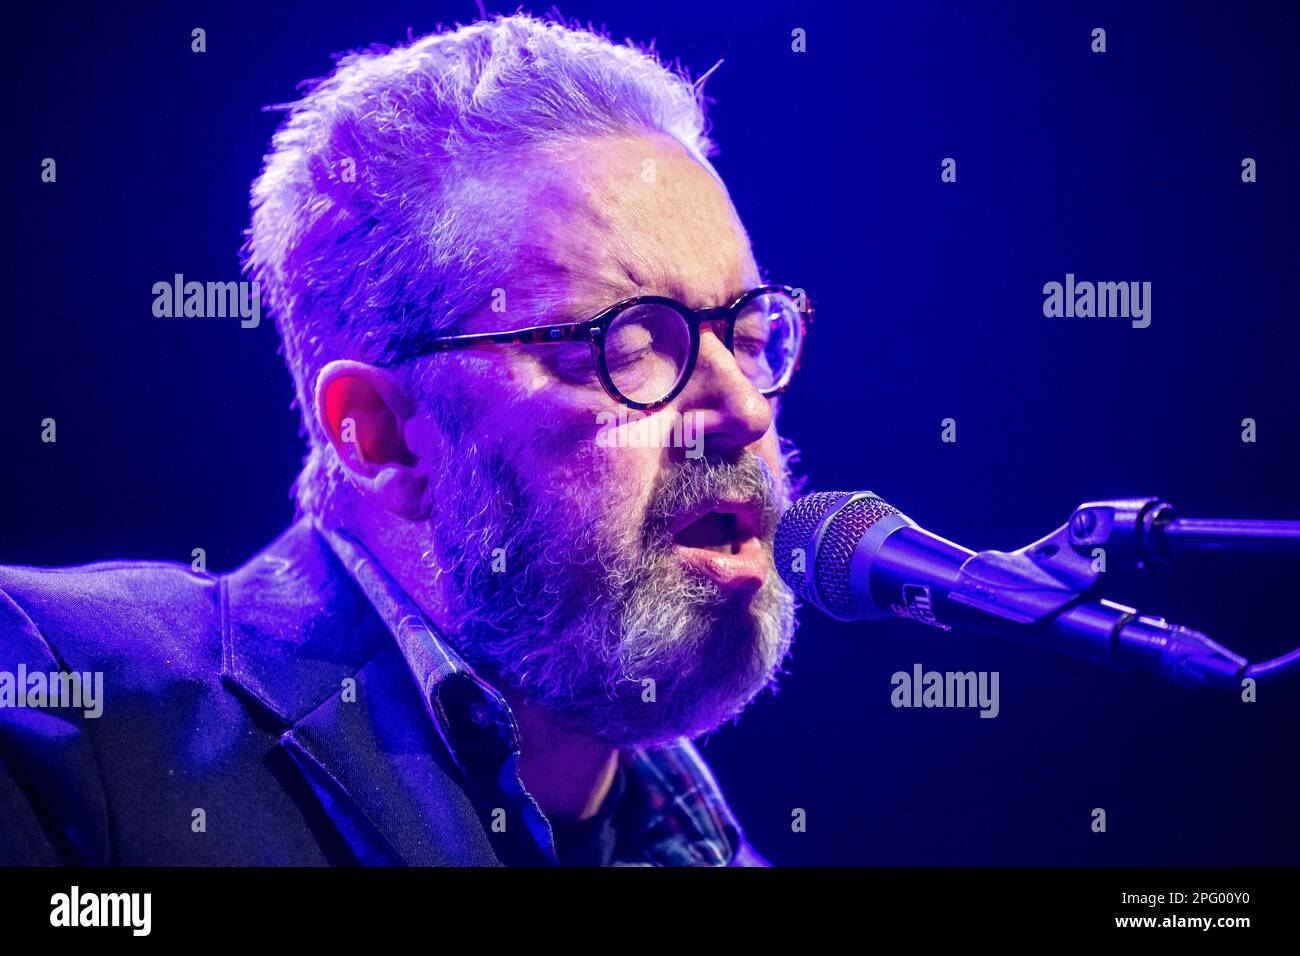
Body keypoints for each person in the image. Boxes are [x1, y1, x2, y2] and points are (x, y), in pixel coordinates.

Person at [0, 11, 810, 866]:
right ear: (384, 436)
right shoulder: (70, 703)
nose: (745, 412)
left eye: (750, 337)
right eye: (631, 344)